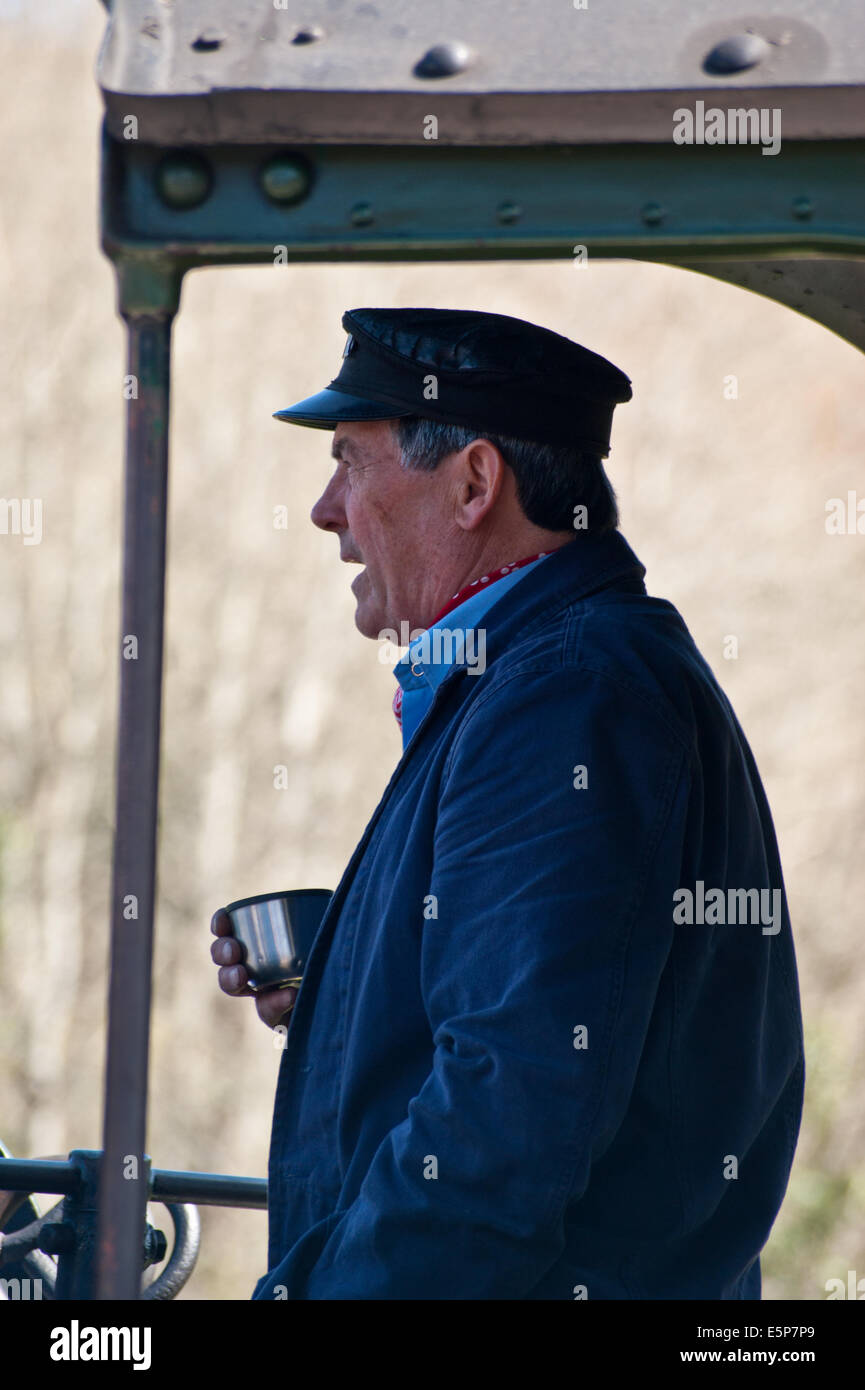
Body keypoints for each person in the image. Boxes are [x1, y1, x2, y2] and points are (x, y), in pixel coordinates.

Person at [210, 307, 805, 1300]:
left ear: (476, 482)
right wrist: (350, 985)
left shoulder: (568, 693)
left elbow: (506, 1116)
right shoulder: (558, 674)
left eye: (351, 463)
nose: (323, 509)